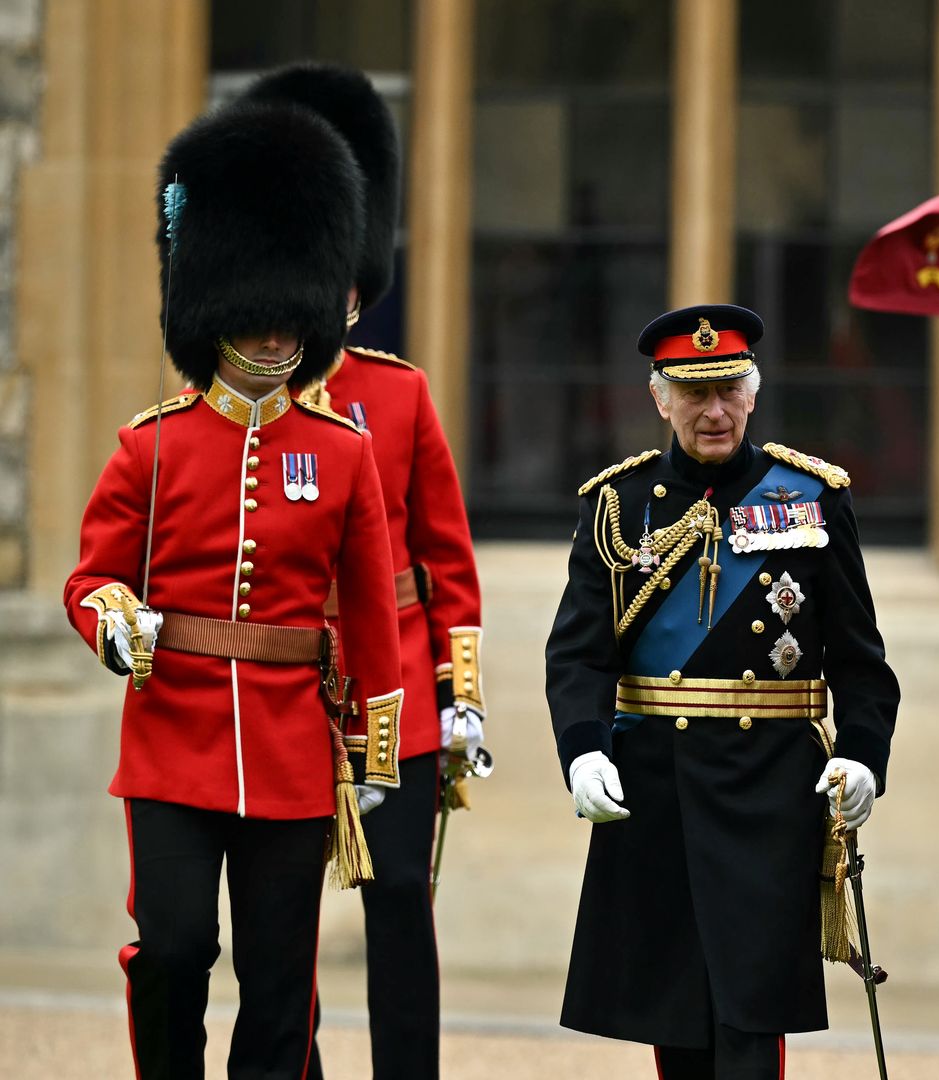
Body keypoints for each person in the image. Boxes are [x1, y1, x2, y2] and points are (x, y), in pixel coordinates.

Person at [63, 97, 404, 1078]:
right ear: (211, 313)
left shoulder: (340, 454)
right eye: (252, 317)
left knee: (279, 976)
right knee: (173, 950)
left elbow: (372, 609)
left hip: (294, 751)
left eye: (288, 315)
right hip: (172, 742)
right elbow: (92, 578)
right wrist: (113, 622)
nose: (272, 336)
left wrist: (372, 747)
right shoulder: (152, 445)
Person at [545, 303, 901, 1079]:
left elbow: (861, 663)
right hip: (655, 790)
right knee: (674, 1018)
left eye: (730, 390)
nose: (714, 411)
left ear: (754, 392)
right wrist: (582, 751)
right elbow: (577, 656)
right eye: (694, 393)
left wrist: (864, 758)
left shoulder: (811, 498)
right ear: (659, 398)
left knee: (749, 1016)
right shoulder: (619, 507)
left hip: (768, 792)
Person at [242, 62, 488, 1079]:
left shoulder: (401, 394)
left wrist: (460, 696)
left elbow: (448, 560)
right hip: (294, 690)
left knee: (398, 906)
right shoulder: (243, 410)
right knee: (281, 916)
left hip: (398, 699)